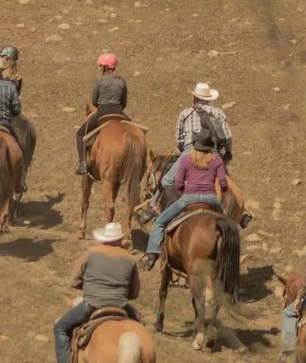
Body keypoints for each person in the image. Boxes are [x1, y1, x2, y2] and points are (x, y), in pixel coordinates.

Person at [55, 221, 141, 363]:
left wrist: (90, 287)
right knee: (141, 328)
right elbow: (134, 293)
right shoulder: (130, 259)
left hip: (91, 305)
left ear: (104, 239)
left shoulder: (91, 253)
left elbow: (74, 281)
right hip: (121, 307)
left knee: (61, 328)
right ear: (120, 240)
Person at [142, 132, 232, 266]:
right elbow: (223, 184)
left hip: (189, 199)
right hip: (212, 200)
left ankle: (151, 257)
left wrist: (184, 188)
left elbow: (177, 184)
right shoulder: (217, 161)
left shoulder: (185, 159)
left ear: (195, 145)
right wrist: (222, 190)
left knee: (160, 222)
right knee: (228, 227)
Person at [75, 52, 129, 175]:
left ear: (104, 67)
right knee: (137, 132)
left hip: (102, 112)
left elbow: (94, 101)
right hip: (119, 113)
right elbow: (124, 103)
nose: (99, 68)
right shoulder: (122, 82)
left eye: (100, 66)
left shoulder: (99, 81)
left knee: (79, 134)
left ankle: (83, 163)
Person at [175, 82, 233, 164]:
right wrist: (228, 151)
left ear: (194, 97)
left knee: (168, 177)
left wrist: (184, 151)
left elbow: (179, 140)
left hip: (190, 151)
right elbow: (227, 137)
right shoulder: (218, 113)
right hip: (213, 151)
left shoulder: (185, 113)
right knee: (223, 175)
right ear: (208, 99)